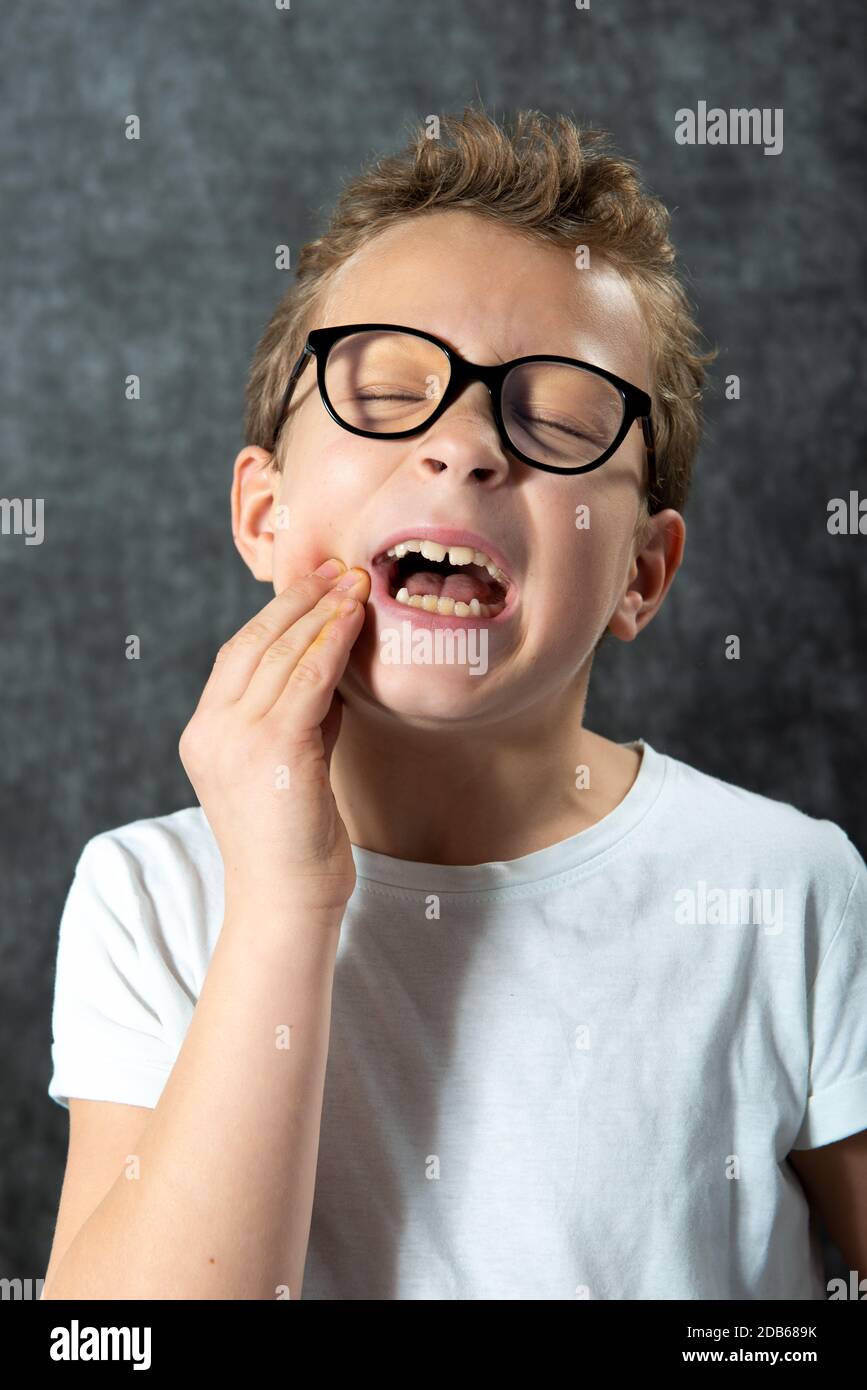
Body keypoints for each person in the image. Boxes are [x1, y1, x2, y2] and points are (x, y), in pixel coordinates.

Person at [42, 106, 867, 1300]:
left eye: (564, 416)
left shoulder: (791, 892)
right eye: (384, 394)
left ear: (643, 572)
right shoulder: (149, 902)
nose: (468, 446)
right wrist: (281, 900)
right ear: (263, 516)